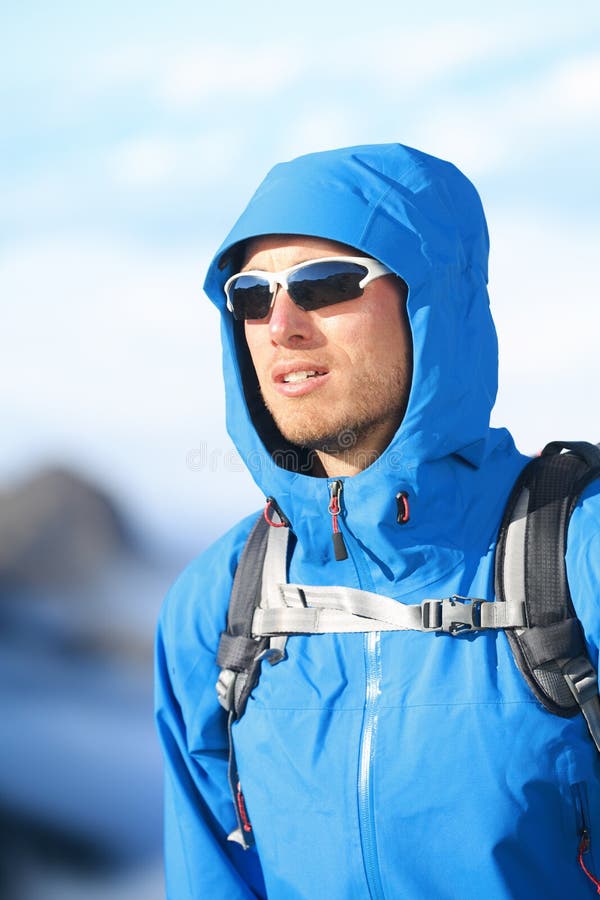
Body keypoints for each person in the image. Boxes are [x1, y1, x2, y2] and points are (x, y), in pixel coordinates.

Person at [155, 143, 600, 899]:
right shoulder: (221, 604)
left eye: (325, 284)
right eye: (251, 296)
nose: (280, 325)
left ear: (433, 299)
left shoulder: (578, 558)